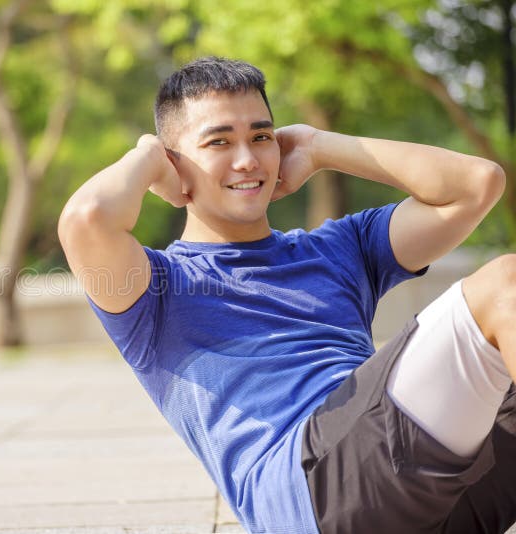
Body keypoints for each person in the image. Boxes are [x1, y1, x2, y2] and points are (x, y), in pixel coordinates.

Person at [57, 56, 515, 533]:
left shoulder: (341, 248)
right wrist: (149, 155)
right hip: (308, 491)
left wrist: (320, 146)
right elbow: (86, 219)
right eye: (218, 142)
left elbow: (478, 185)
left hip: (416, 490)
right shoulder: (157, 289)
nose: (248, 159)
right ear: (175, 164)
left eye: (261, 136)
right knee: (505, 284)